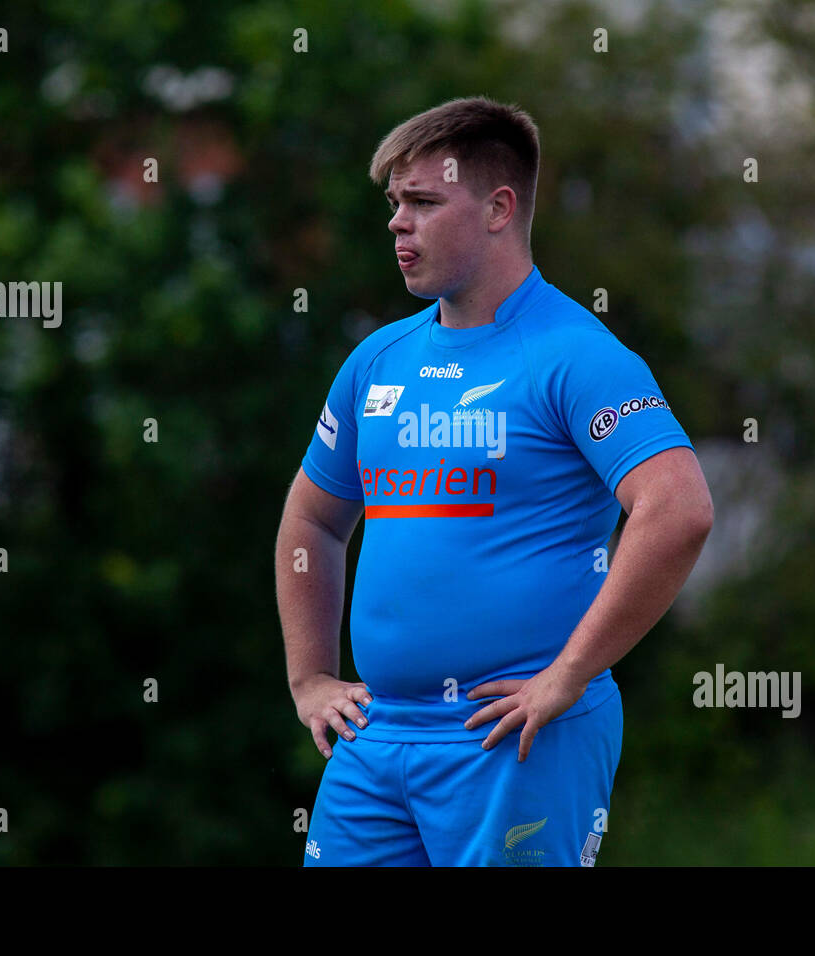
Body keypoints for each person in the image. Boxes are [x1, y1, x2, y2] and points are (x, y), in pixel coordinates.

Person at [275, 96, 713, 866]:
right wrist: (310, 676)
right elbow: (313, 521)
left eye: (422, 202)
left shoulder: (577, 354)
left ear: (498, 209)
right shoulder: (377, 361)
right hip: (377, 741)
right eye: (394, 204)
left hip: (515, 733)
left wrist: (570, 675)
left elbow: (677, 511)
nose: (396, 224)